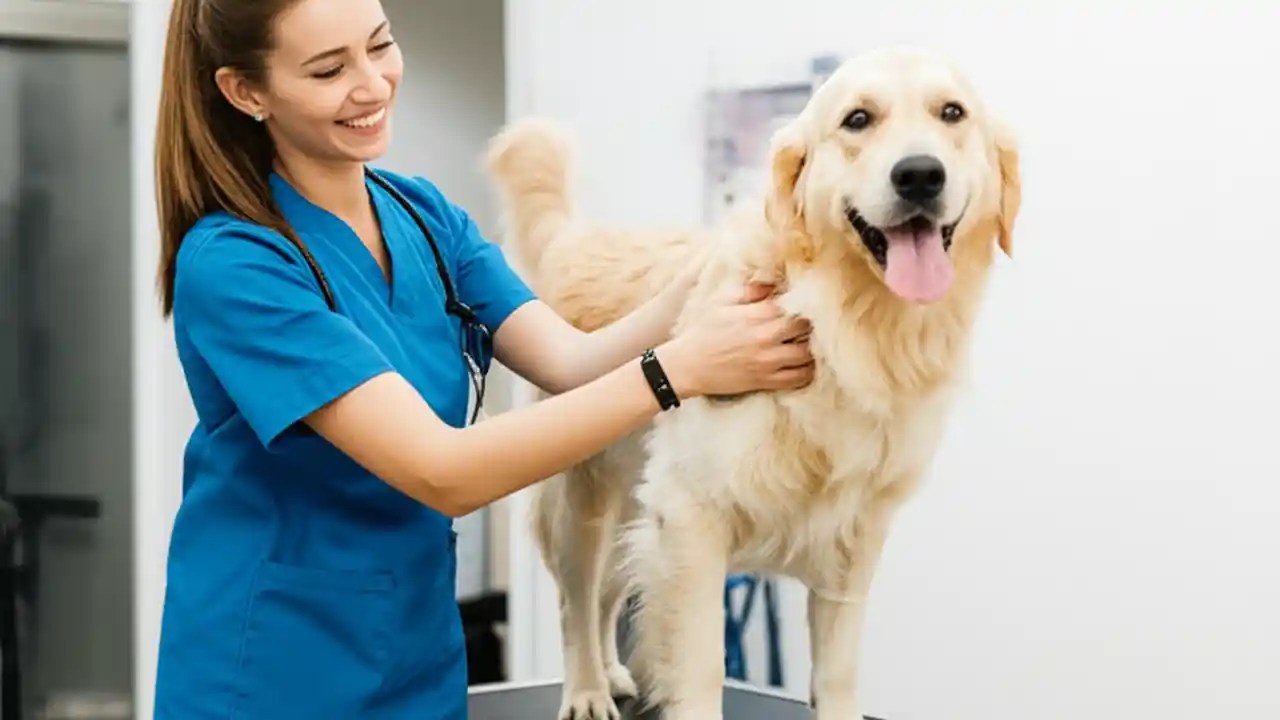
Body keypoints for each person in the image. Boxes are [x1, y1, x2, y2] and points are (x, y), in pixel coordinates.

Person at [150, 0, 814, 718]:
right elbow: (444, 470)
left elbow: (571, 360)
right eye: (329, 69)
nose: (372, 84)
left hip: (413, 655)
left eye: (381, 45)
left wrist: (705, 279)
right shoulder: (237, 265)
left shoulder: (423, 217)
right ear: (246, 92)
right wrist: (679, 370)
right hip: (274, 674)